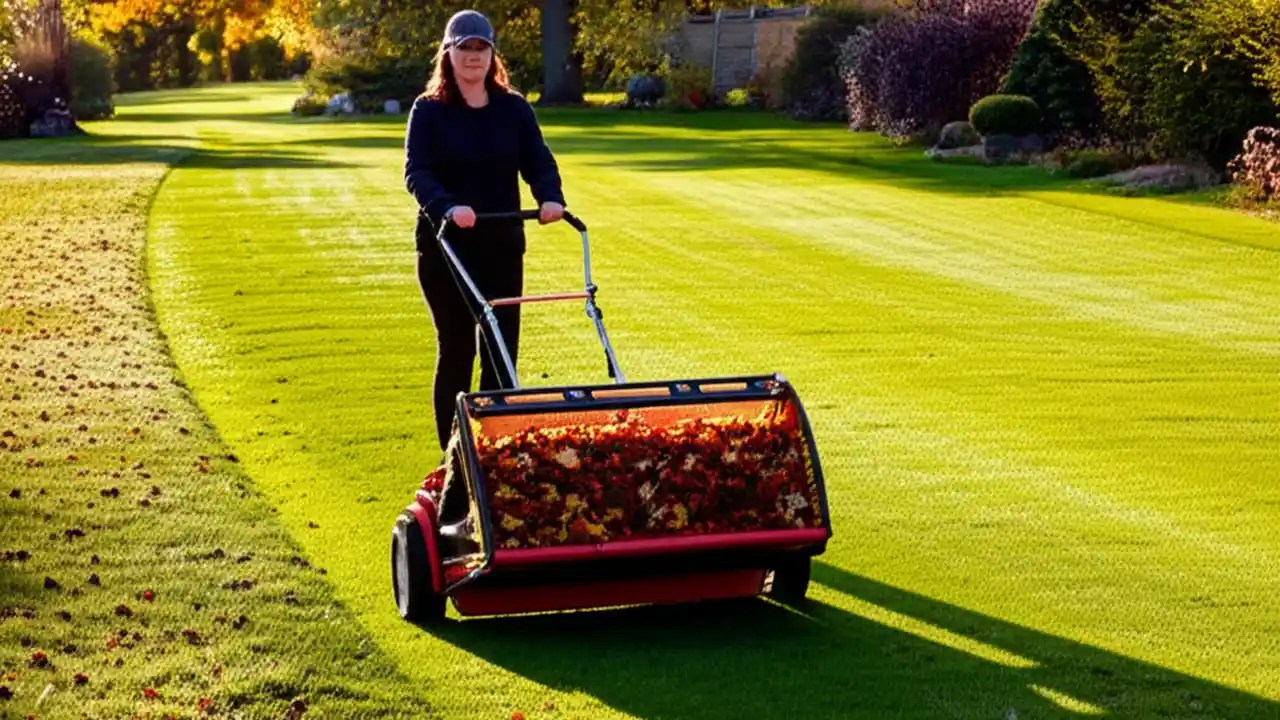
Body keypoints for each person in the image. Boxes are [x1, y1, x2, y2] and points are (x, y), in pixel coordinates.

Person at [404, 9, 567, 450]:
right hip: (447, 250)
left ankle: (493, 449)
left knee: (500, 351)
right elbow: (416, 172)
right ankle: (454, 458)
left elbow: (537, 158)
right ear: (448, 53)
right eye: (464, 48)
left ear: (492, 54)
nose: (473, 56)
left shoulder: (513, 108)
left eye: (481, 48)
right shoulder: (429, 111)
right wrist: (449, 207)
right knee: (458, 350)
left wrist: (550, 197)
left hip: (501, 243)